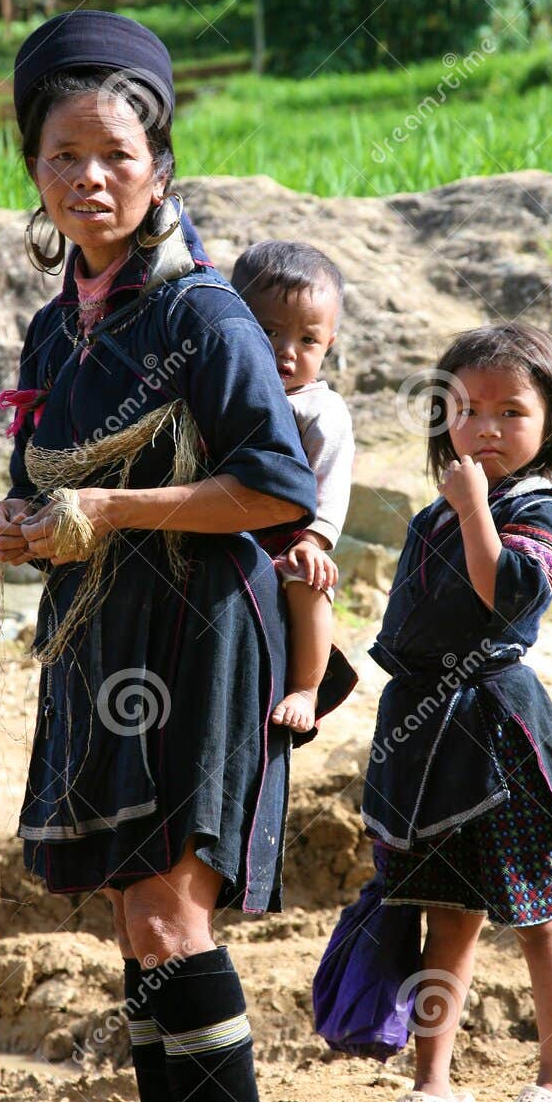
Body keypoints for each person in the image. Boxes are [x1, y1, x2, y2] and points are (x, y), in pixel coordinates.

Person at [0, 9, 348, 1102]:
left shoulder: (203, 313)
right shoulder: (53, 329)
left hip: (201, 632)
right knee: (140, 922)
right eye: (60, 152)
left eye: (114, 153)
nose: (87, 175)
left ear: (158, 162)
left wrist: (114, 513)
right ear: (31, 164)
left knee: (170, 915)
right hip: (100, 637)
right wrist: (22, 527)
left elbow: (272, 489)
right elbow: (51, 482)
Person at [351, 322, 552, 1102]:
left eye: (511, 412)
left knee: (537, 911)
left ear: (550, 427)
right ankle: (431, 1085)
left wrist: (471, 511)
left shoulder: (543, 509)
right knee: (443, 919)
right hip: (424, 743)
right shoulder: (432, 516)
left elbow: (510, 599)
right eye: (467, 410)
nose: (487, 429)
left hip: (497, 731)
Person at [231, 241, 355, 735]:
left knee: (311, 585)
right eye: (269, 332)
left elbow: (330, 484)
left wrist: (314, 541)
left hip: (289, 538)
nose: (287, 351)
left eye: (308, 340)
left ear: (330, 343)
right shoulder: (225, 393)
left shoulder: (320, 412)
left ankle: (306, 687)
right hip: (225, 528)